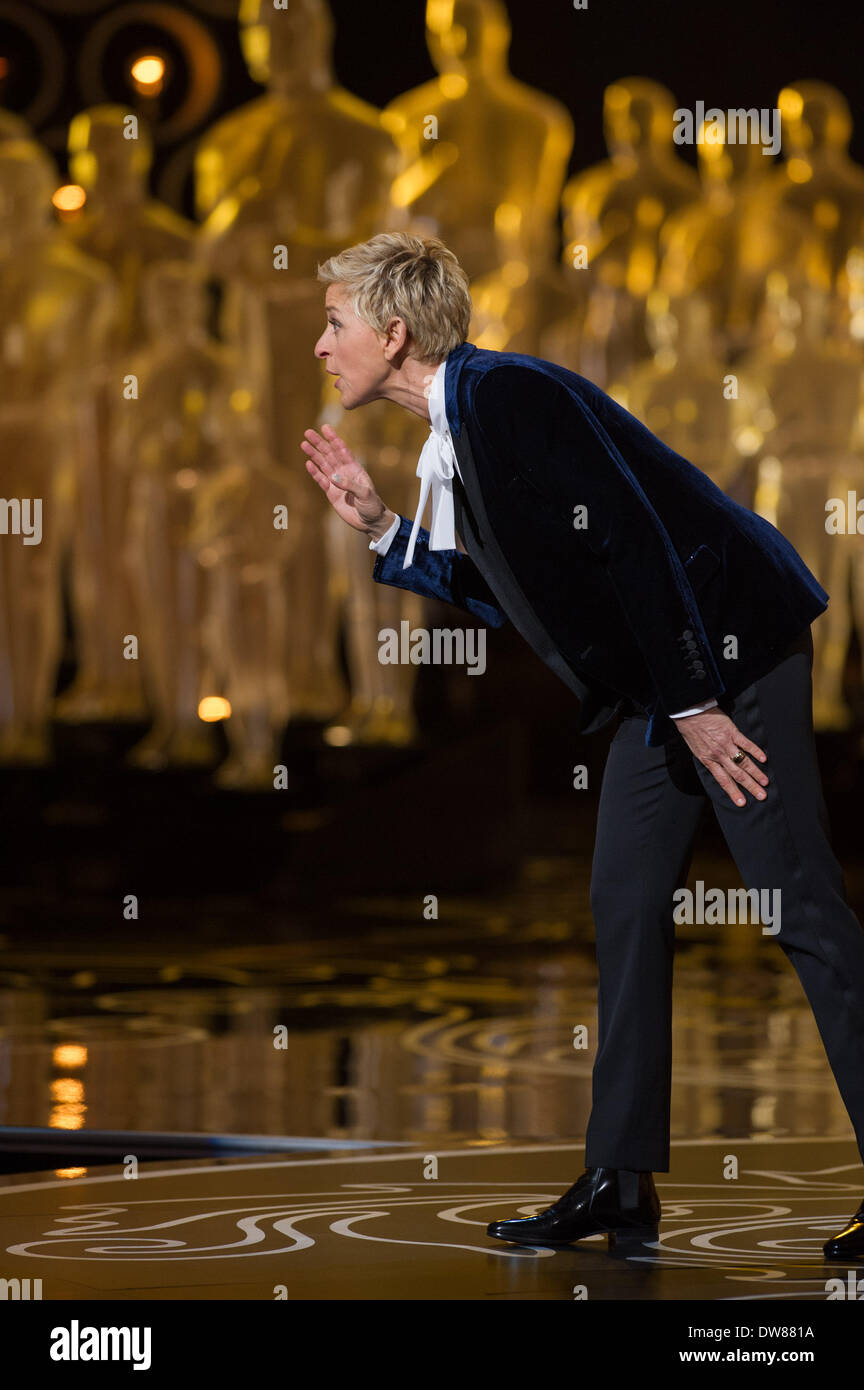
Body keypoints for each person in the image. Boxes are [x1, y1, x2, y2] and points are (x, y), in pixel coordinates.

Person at [302, 231, 864, 1261]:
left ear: (392, 332)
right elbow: (526, 597)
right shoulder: (460, 429)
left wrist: (698, 702)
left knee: (800, 904)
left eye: (334, 323)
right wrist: (386, 531)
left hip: (730, 650)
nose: (320, 345)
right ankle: (619, 1180)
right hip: (673, 679)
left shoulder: (511, 396)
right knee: (626, 897)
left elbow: (637, 540)